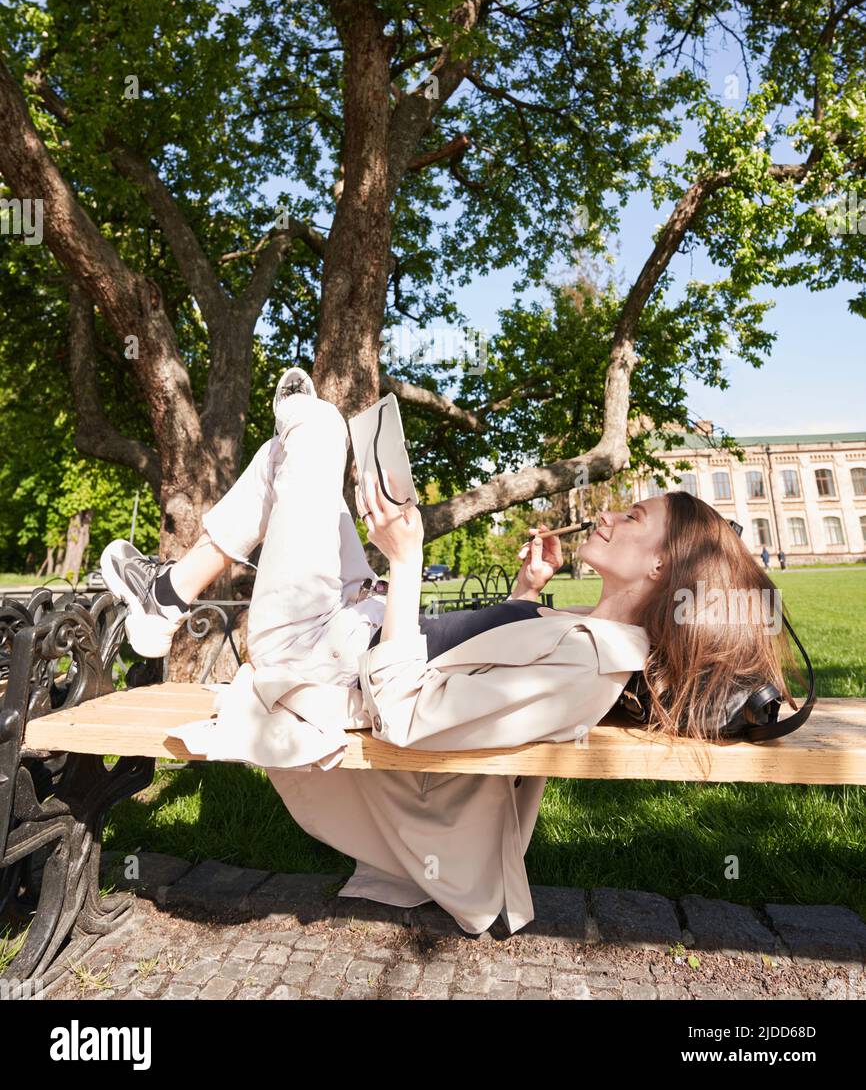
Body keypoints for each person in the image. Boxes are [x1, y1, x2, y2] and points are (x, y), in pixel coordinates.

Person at [99, 367, 805, 934]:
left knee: (311, 427)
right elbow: (492, 658)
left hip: (314, 652)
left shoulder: (592, 662)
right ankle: (166, 598)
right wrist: (526, 593)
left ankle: (166, 598)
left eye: (636, 517)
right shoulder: (591, 629)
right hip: (353, 618)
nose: (613, 513)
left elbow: (404, 715)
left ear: (659, 569)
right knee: (315, 445)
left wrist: (407, 566)